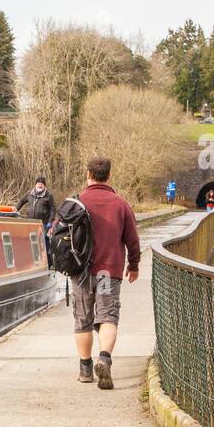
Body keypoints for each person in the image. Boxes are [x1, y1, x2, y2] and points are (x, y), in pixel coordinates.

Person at [73, 157, 140, 390]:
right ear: (108, 176)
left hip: (81, 272)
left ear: (88, 174)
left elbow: (59, 236)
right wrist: (134, 265)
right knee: (107, 316)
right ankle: (104, 358)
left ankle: (85, 369)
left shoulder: (76, 202)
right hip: (108, 272)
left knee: (83, 319)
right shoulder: (120, 204)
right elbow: (132, 240)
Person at [22, 176, 56, 265]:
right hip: (30, 222)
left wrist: (50, 221)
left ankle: (49, 263)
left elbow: (53, 209)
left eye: (42, 184)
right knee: (30, 241)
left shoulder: (49, 195)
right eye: (38, 183)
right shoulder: (30, 193)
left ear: (44, 186)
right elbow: (21, 201)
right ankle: (32, 261)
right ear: (35, 184)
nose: (40, 185)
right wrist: (14, 210)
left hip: (43, 223)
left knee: (44, 241)